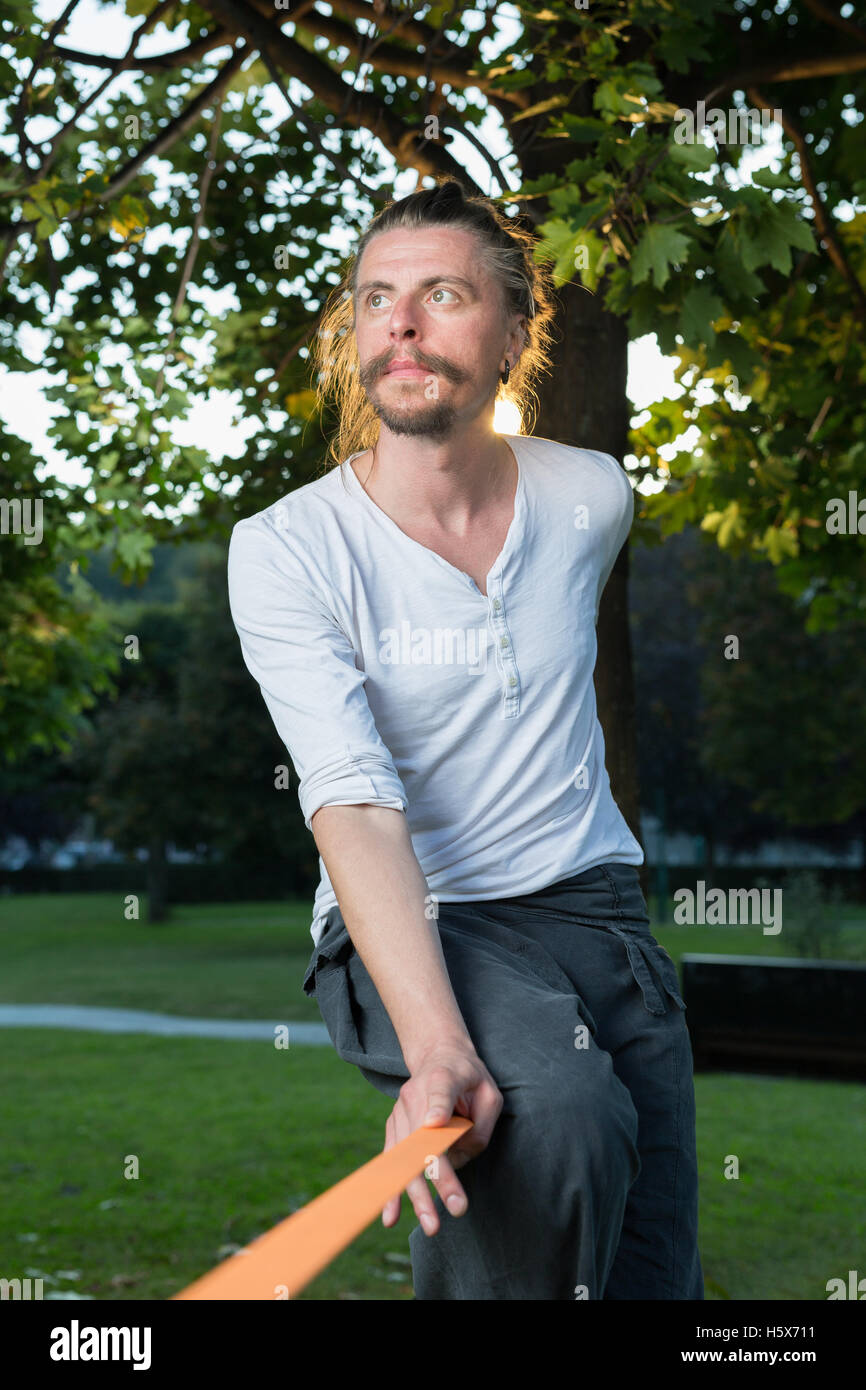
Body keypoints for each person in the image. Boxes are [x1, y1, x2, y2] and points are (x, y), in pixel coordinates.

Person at [227, 178, 703, 1300]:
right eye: (374, 298)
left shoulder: (591, 496)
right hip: (415, 916)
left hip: (593, 909)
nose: (400, 323)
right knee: (562, 1116)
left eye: (441, 294)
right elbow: (348, 795)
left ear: (514, 337)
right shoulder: (288, 548)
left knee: (652, 1261)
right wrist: (435, 1040)